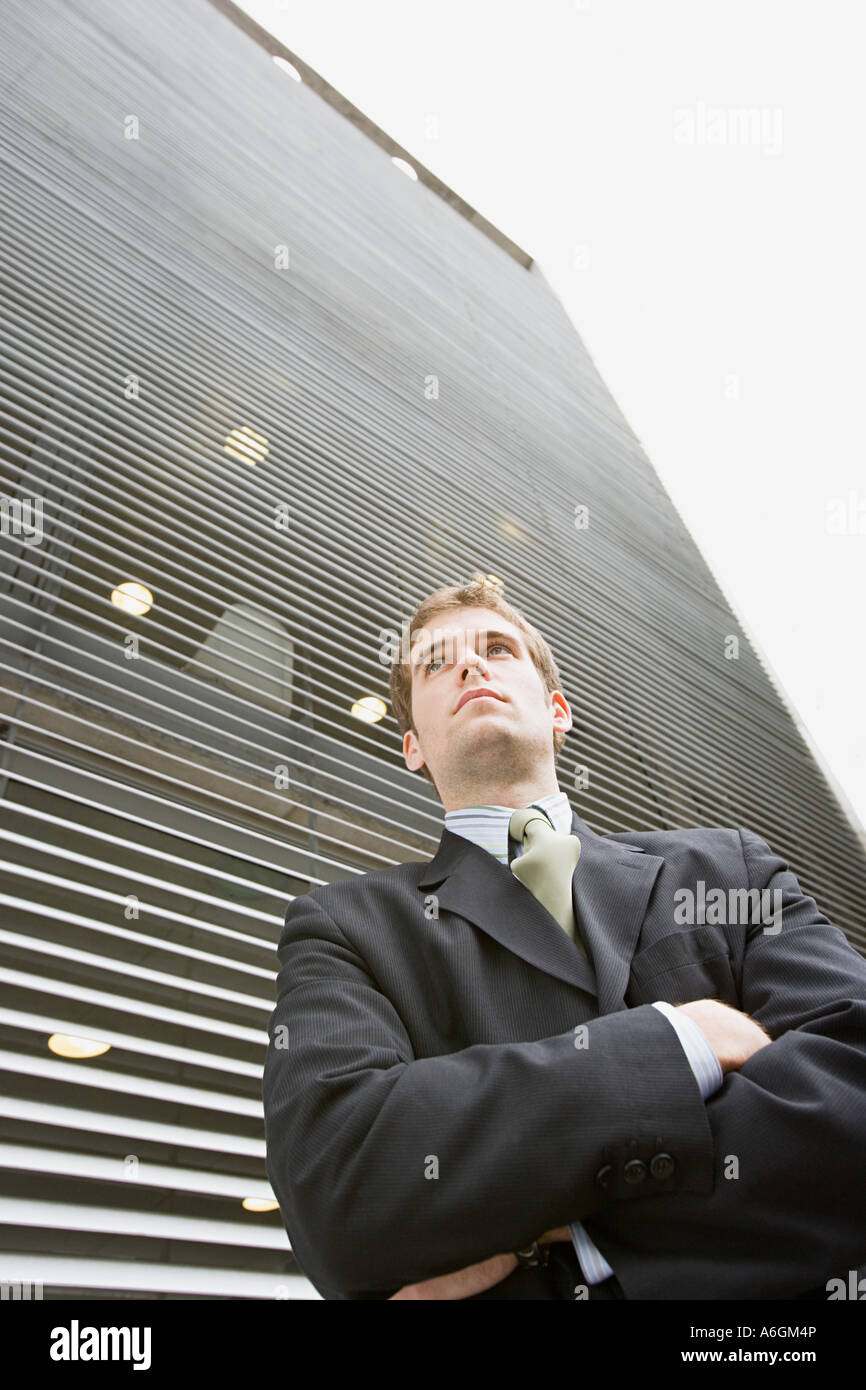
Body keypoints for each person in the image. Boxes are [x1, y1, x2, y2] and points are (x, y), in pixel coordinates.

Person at [262, 577, 866, 1300]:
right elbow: (342, 1186)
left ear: (557, 711)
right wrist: (681, 1043)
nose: (472, 667)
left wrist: (555, 1234)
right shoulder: (344, 926)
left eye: (496, 647)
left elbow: (853, 1090)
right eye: (435, 663)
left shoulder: (729, 868)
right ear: (413, 747)